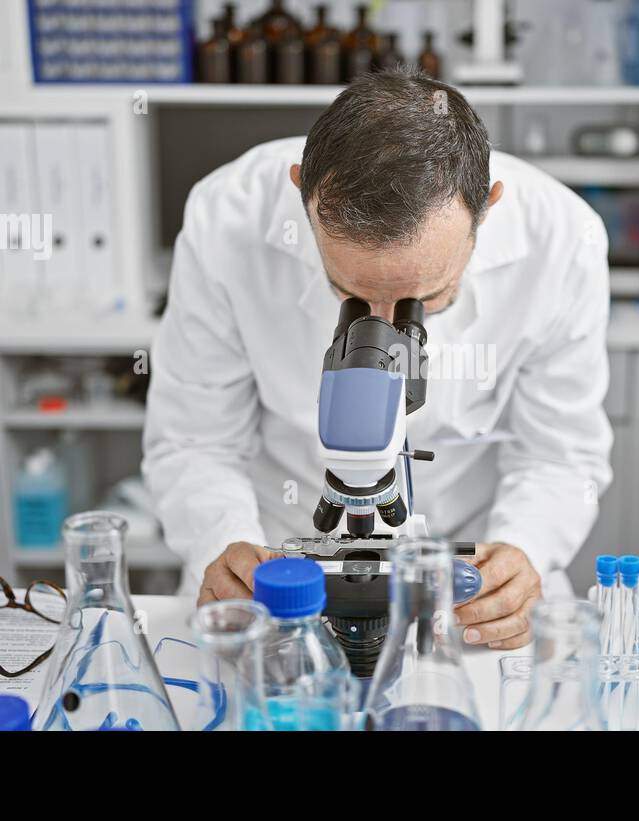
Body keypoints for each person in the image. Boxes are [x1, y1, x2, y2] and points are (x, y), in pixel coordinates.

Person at [143, 69, 611, 650]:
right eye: (351, 293)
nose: (386, 328)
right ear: (301, 195)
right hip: (281, 559)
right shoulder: (225, 219)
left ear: (485, 208)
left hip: (465, 565)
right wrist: (227, 544)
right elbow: (194, 441)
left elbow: (561, 455)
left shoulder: (564, 241)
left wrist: (522, 549)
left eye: (425, 298)